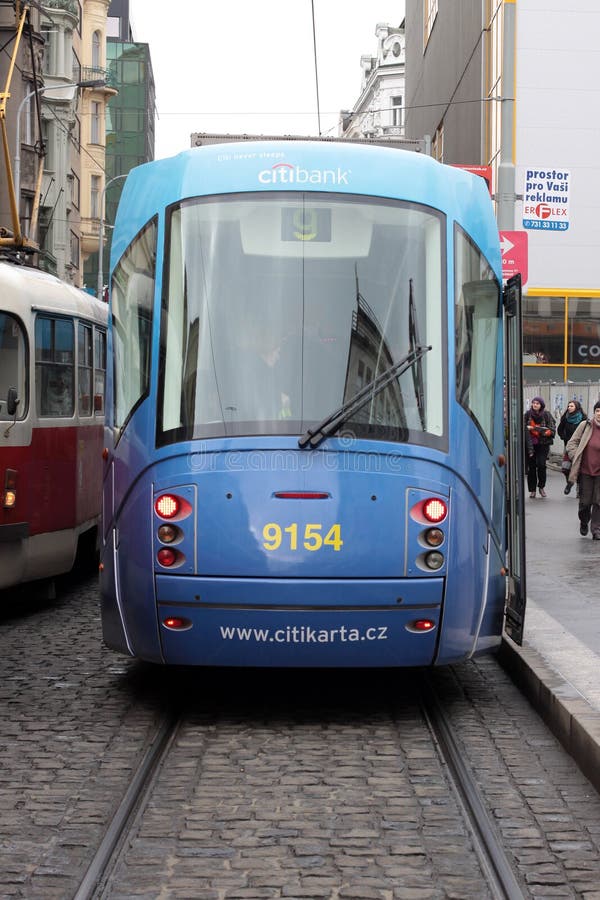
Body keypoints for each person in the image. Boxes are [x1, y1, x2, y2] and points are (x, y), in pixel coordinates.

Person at [566, 400, 600, 539]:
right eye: (598, 411)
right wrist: (576, 456)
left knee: (598, 501)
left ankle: (596, 529)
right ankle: (584, 521)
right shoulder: (585, 425)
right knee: (585, 503)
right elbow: (571, 443)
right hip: (585, 470)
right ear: (594, 412)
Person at [524, 396, 556, 498]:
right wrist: (541, 430)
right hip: (530, 445)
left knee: (541, 465)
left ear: (541, 405)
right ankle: (532, 490)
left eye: (537, 403)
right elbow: (523, 429)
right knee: (531, 468)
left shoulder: (547, 415)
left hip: (543, 445)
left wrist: (534, 429)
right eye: (534, 403)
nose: (535, 405)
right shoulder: (527, 415)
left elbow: (551, 430)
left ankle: (541, 487)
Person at [557, 400, 586, 494]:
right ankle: (569, 481)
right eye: (568, 406)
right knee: (565, 468)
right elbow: (560, 429)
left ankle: (578, 487)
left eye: (571, 406)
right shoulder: (565, 418)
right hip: (568, 446)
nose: (569, 407)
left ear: (576, 407)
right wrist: (564, 437)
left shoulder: (583, 419)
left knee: (579, 467)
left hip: (580, 447)